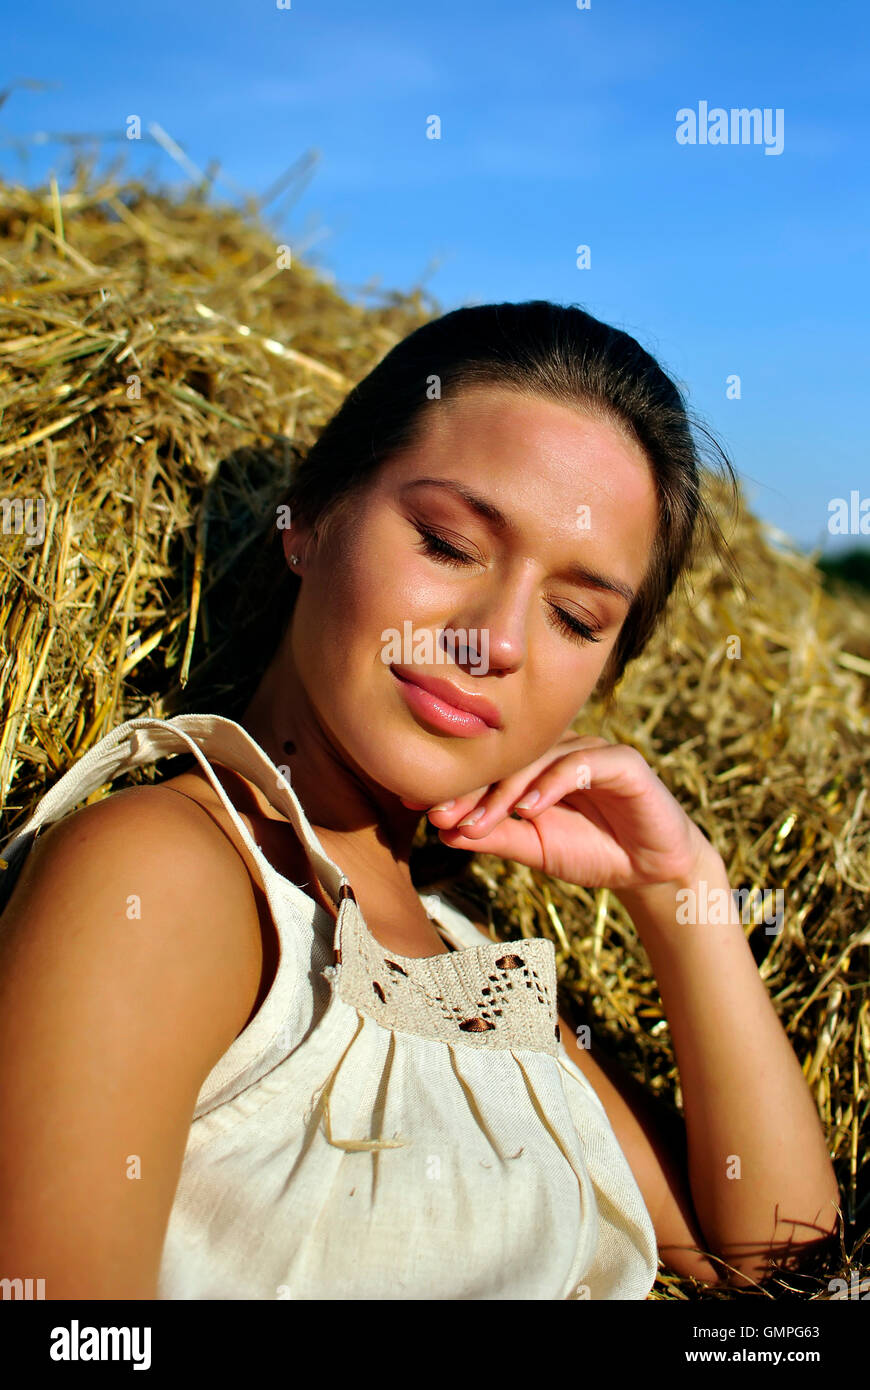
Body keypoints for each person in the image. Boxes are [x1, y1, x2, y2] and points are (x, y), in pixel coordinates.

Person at [0, 300, 839, 1300]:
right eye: (446, 543)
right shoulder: (166, 874)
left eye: (575, 615)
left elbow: (780, 1280)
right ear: (309, 519)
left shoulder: (473, 965)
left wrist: (680, 889)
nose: (498, 639)